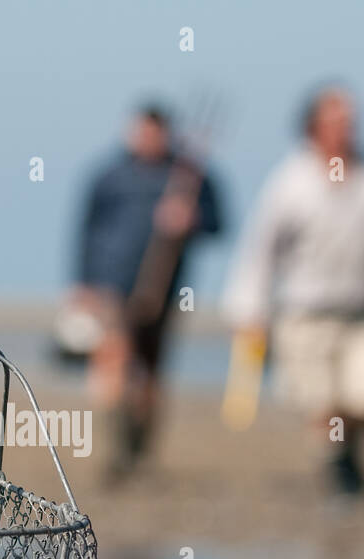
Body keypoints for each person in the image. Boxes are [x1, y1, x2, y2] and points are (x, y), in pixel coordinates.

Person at [221, 84, 364, 496]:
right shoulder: (289, 182)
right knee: (320, 401)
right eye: (337, 121)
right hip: (305, 313)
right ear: (312, 128)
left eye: (351, 120)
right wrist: (249, 312)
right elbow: (260, 251)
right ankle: (341, 471)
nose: (347, 129)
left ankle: (353, 449)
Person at [72, 103, 222, 479]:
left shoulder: (190, 175)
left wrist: (191, 219)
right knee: (114, 361)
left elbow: (219, 224)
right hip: (113, 286)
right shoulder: (109, 175)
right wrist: (82, 284)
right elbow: (86, 230)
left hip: (164, 290)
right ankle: (116, 448)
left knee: (152, 373)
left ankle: (142, 446)